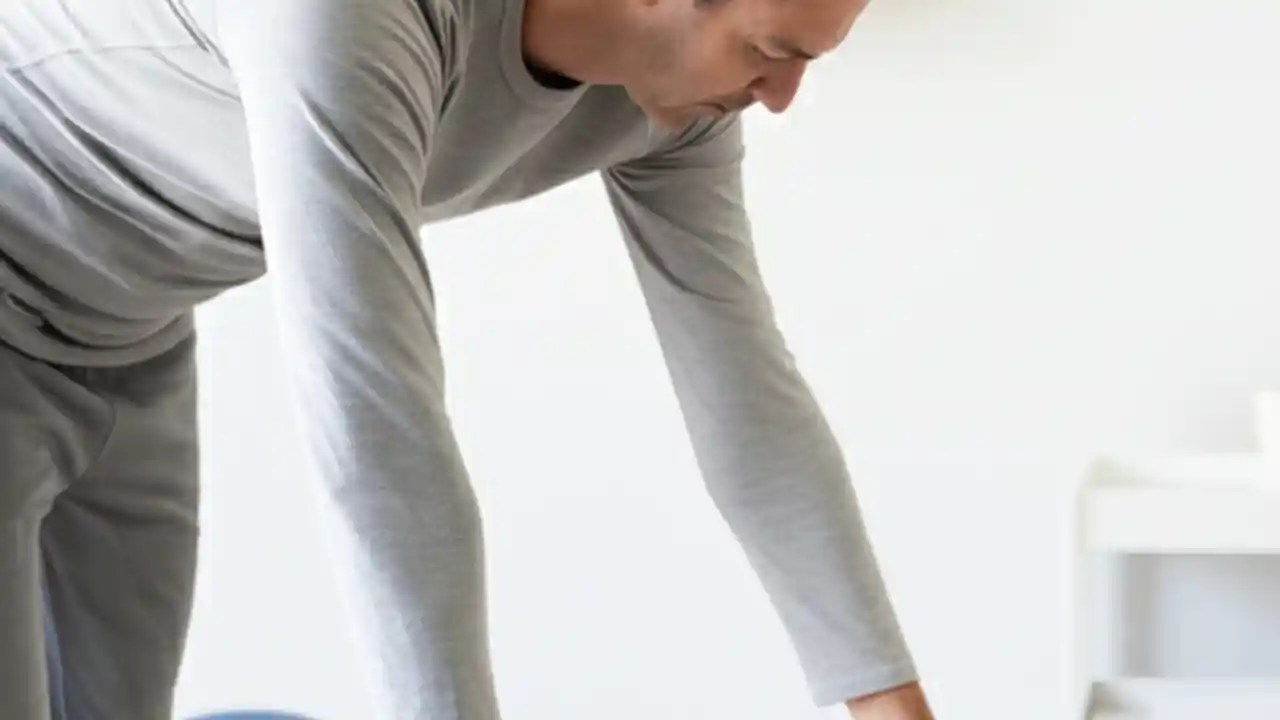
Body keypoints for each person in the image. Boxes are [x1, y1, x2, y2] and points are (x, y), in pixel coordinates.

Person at [0, 0, 935, 717]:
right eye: (775, 54)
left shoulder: (675, 107)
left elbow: (746, 392)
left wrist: (890, 703)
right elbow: (381, 428)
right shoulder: (354, 20)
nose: (780, 98)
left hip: (135, 340)